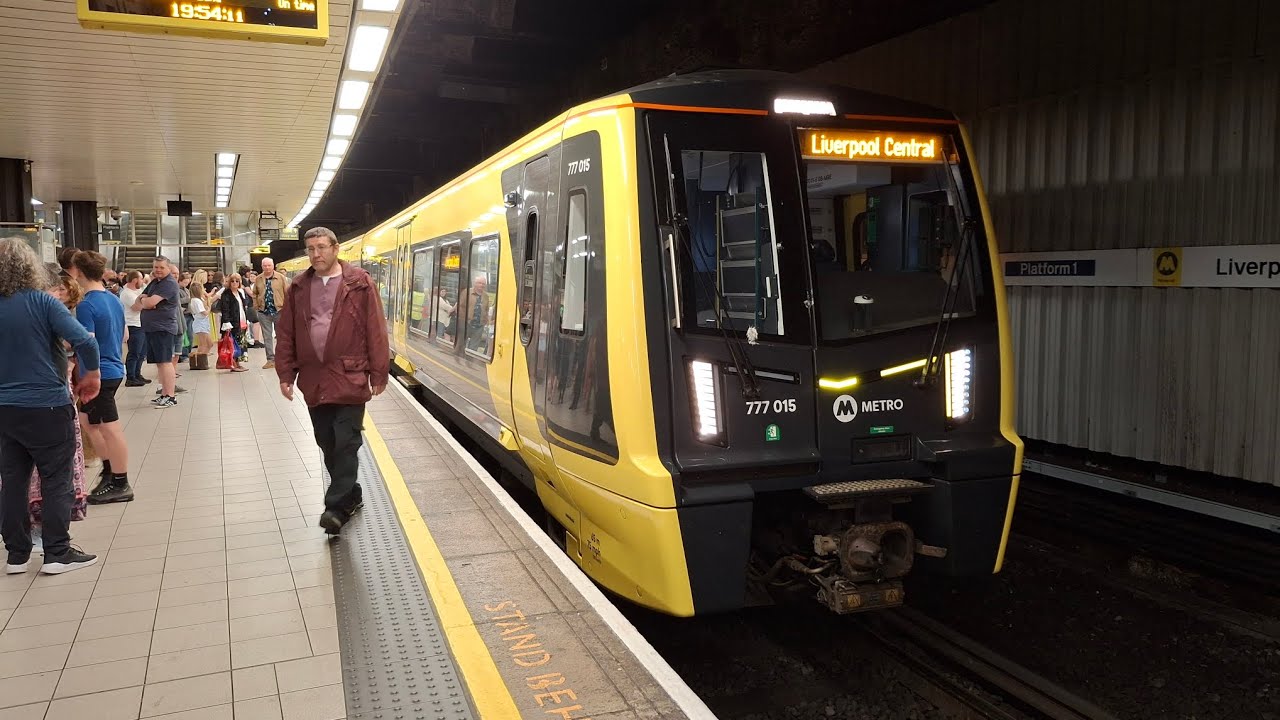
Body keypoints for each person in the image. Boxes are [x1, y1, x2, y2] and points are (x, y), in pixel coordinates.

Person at [276, 227, 389, 536]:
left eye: (322, 247)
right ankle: (351, 494)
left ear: (336, 248)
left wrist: (380, 373)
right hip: (314, 379)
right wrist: (285, 373)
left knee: (347, 441)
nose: (316, 253)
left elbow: (376, 329)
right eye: (311, 248)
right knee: (327, 441)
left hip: (350, 375)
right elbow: (286, 334)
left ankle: (335, 507)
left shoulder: (360, 284)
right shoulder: (298, 287)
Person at [0, 238, 99, 575]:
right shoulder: (43, 303)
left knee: (12, 479)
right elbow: (85, 340)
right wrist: (91, 376)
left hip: (5, 408)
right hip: (47, 404)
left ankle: (16, 555)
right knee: (57, 477)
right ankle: (57, 552)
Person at [69, 251, 133, 504]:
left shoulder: (86, 305)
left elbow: (88, 343)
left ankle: (120, 480)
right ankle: (109, 472)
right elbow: (125, 335)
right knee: (89, 420)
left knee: (109, 427)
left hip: (99, 373)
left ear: (79, 273)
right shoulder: (113, 299)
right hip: (113, 366)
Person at [30, 275, 90, 527]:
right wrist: (93, 374)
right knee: (52, 469)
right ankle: (52, 543)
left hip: (21, 399)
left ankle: (20, 546)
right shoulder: (45, 311)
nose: (56, 295)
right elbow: (85, 341)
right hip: (49, 396)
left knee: (19, 471)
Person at [133, 256, 180, 407]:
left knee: (166, 362)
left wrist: (147, 301)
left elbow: (150, 302)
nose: (158, 270)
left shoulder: (169, 284)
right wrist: (144, 300)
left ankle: (170, 396)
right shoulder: (155, 282)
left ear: (168, 268)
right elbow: (138, 302)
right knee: (159, 363)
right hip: (152, 327)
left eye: (161, 267)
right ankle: (164, 393)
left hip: (163, 328)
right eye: (156, 267)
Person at [252, 257, 287, 369]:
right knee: (267, 337)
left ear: (273, 266)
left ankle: (282, 360)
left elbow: (287, 293)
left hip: (279, 311)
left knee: (281, 336)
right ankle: (270, 360)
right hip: (264, 312)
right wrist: (257, 306)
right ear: (262, 266)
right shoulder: (258, 279)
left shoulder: (281, 278)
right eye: (265, 265)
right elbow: (255, 294)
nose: (267, 267)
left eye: (269, 265)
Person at [216, 274, 250, 372]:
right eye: (232, 281)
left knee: (239, 343)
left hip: (241, 321)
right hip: (232, 323)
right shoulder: (226, 294)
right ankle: (233, 364)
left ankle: (237, 363)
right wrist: (226, 323)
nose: (235, 283)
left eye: (237, 281)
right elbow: (225, 310)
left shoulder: (240, 293)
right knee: (233, 344)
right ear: (229, 282)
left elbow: (243, 307)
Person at [119, 271, 148, 386]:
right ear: (135, 279)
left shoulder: (138, 291)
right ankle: (130, 377)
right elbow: (137, 307)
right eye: (141, 279)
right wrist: (145, 302)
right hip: (132, 325)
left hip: (141, 324)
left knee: (141, 353)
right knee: (134, 352)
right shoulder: (127, 293)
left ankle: (137, 374)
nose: (142, 282)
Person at [188, 276, 213, 368]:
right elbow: (204, 312)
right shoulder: (196, 301)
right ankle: (199, 361)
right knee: (203, 344)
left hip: (203, 322)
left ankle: (202, 358)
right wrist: (209, 308)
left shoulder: (198, 300)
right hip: (200, 322)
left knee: (209, 343)